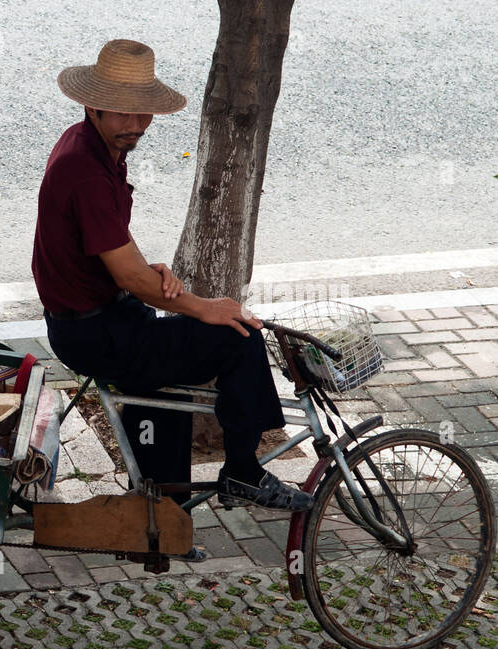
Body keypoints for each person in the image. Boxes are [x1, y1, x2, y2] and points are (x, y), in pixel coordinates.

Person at [32, 38, 313, 514]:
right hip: (95, 333)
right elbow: (130, 276)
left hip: (103, 318)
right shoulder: (85, 169)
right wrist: (204, 306)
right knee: (237, 335)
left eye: (143, 115)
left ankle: (161, 514)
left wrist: (146, 269)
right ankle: (243, 473)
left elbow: (109, 245)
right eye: (123, 114)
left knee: (167, 383)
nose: (135, 126)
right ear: (93, 106)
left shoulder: (89, 144)